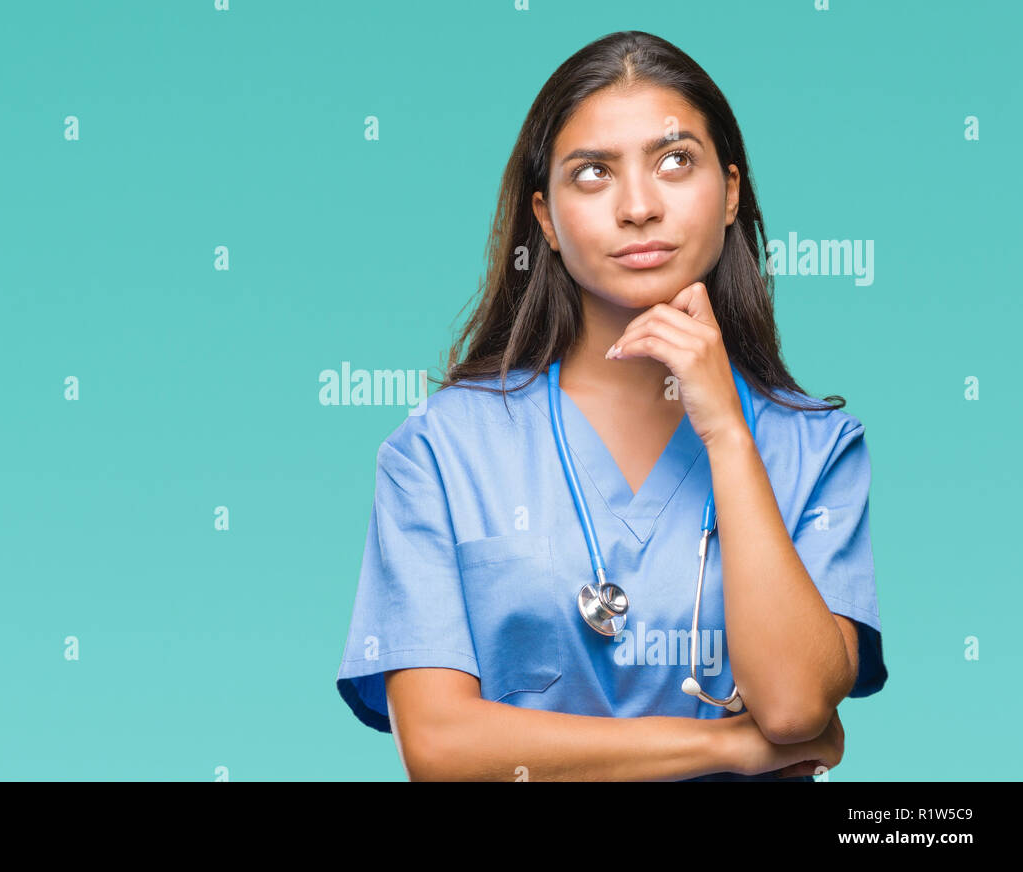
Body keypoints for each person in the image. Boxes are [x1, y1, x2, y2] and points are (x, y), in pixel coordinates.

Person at [334, 30, 887, 781]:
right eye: (593, 173)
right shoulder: (439, 450)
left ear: (729, 193)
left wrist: (726, 432)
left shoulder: (817, 448)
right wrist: (723, 746)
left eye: (674, 161)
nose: (637, 206)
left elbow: (794, 710)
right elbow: (440, 750)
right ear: (547, 220)